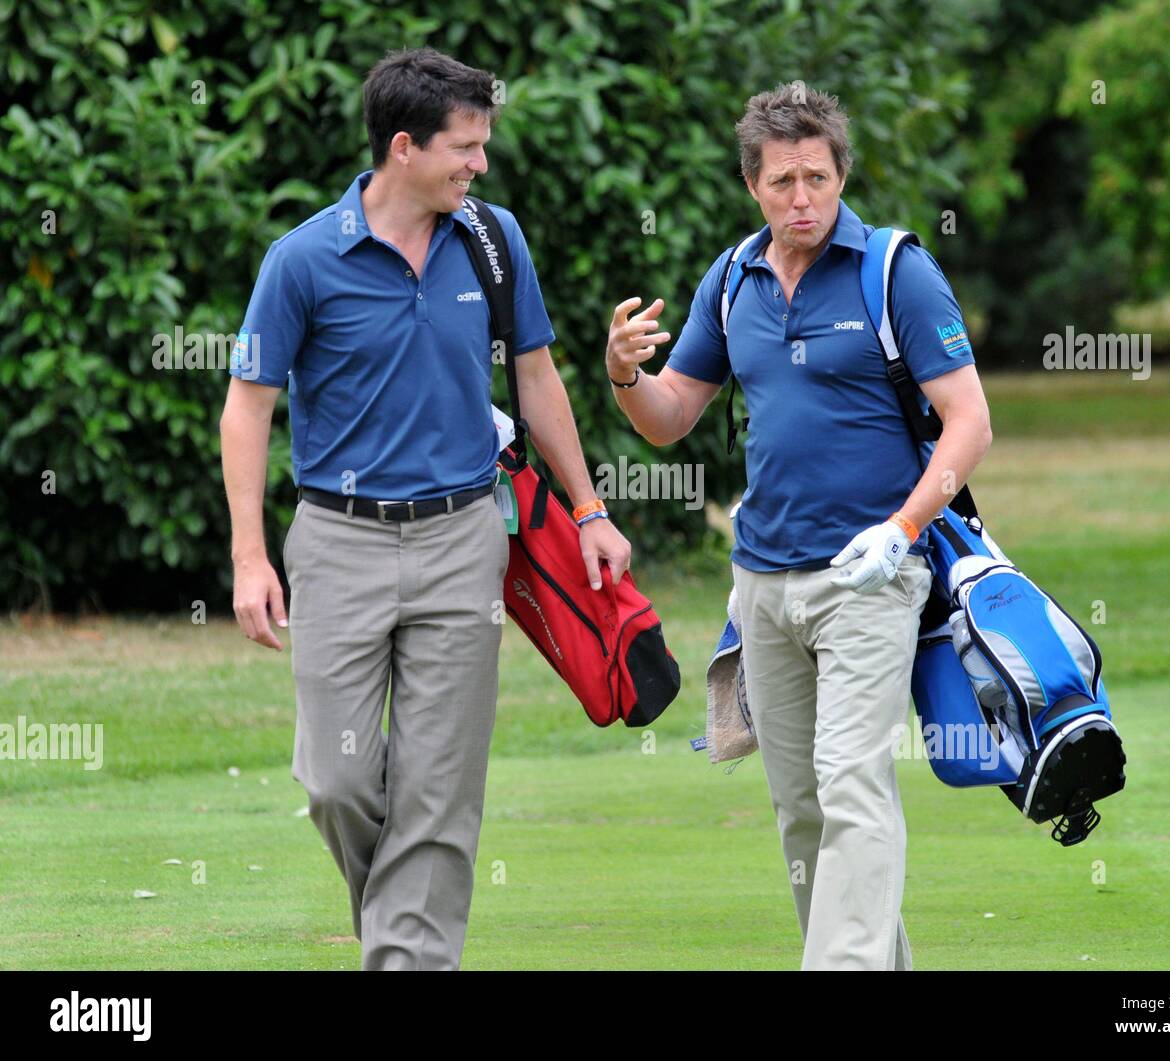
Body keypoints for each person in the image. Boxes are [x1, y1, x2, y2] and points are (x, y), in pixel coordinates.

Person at [219, 47, 630, 971]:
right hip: (336, 542)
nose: (479, 164)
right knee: (336, 779)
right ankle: (403, 928)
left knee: (439, 789)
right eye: (465, 146)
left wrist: (591, 505)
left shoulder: (493, 240)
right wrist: (250, 556)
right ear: (403, 148)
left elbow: (535, 375)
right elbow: (248, 406)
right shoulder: (302, 261)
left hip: (462, 541)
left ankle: (407, 960)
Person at [605, 83, 992, 970]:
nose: (803, 199)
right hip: (764, 585)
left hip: (873, 575)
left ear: (842, 172)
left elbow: (969, 423)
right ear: (754, 183)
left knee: (854, 783)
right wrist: (626, 375)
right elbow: (670, 418)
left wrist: (901, 530)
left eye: (818, 177)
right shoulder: (732, 275)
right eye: (783, 181)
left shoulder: (895, 269)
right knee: (804, 809)